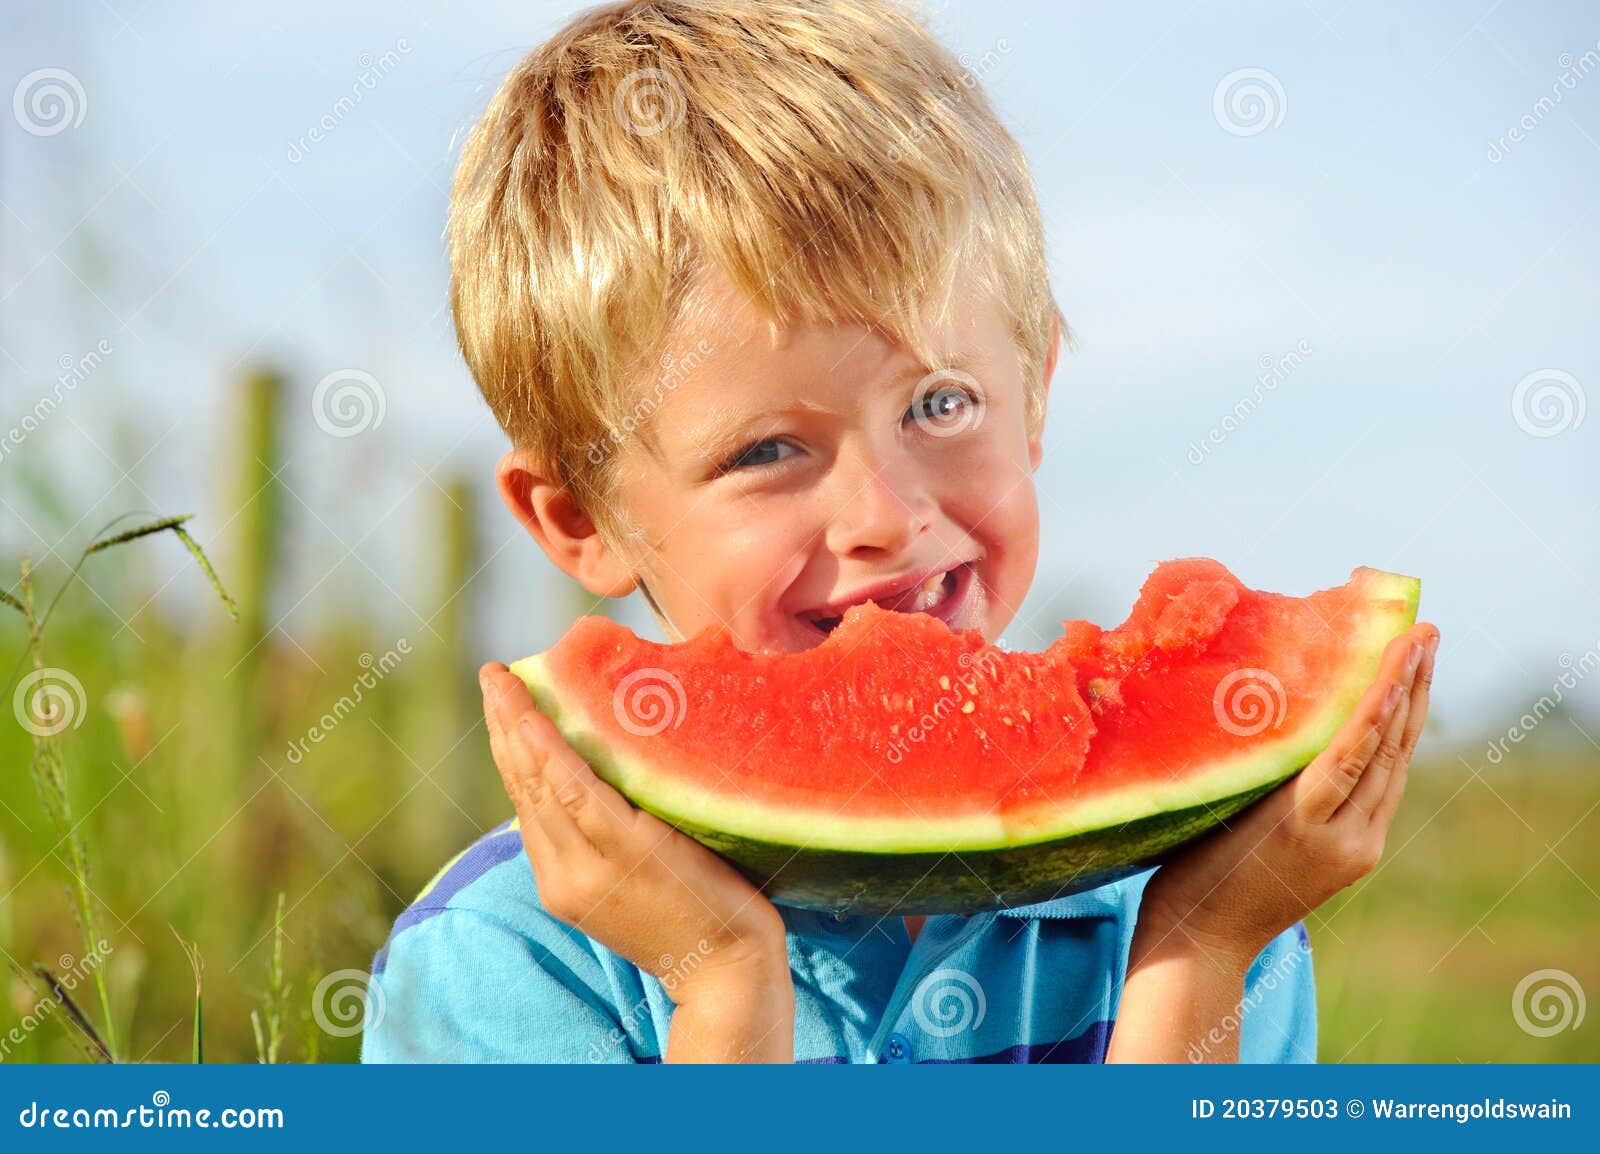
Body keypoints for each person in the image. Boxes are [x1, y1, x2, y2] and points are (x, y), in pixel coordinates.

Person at [362, 0, 1437, 1063]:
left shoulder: (1218, 906)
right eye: (766, 450)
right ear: (580, 518)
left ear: (1036, 389)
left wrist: (1196, 953)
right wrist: (723, 984)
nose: (886, 514)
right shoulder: (503, 961)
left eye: (940, 403)